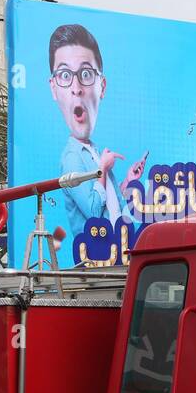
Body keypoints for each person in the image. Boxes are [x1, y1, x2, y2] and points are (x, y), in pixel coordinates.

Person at [49, 24, 145, 235]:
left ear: (102, 85)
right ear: (53, 88)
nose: (76, 88)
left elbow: (109, 207)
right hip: (94, 261)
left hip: (116, 253)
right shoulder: (72, 158)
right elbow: (93, 212)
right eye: (65, 75)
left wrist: (128, 180)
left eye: (85, 73)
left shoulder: (92, 150)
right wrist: (102, 168)